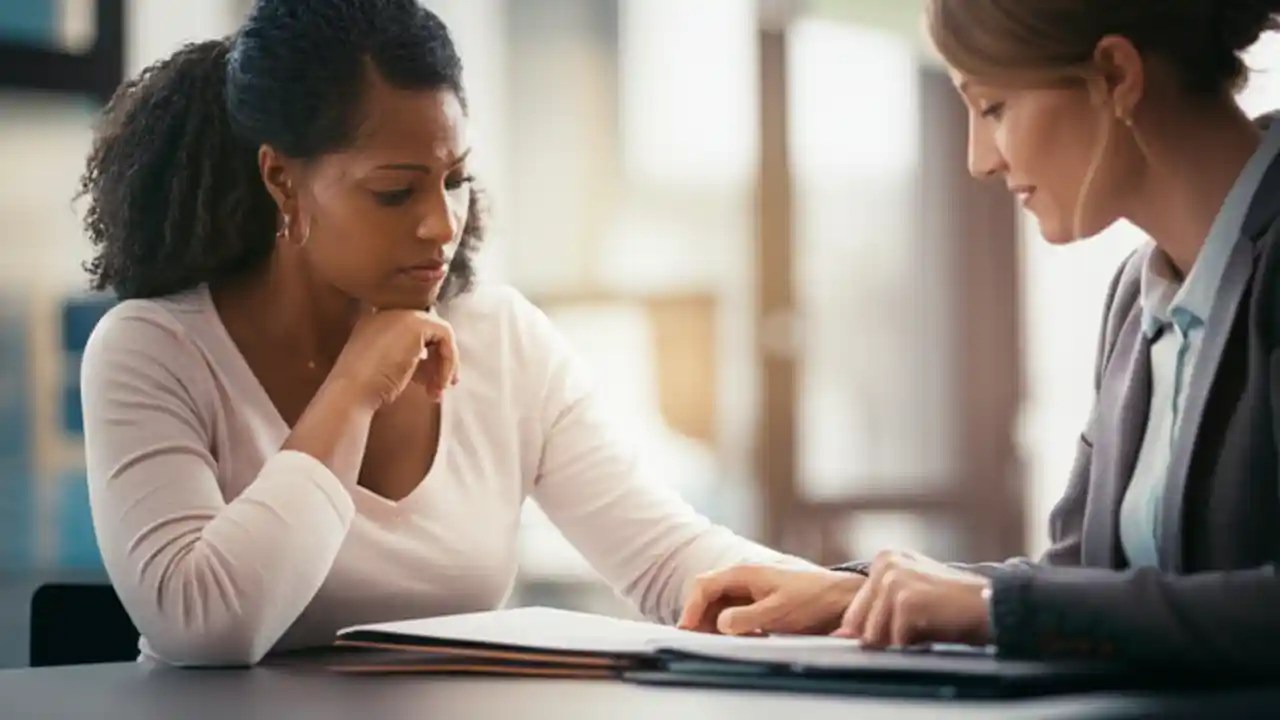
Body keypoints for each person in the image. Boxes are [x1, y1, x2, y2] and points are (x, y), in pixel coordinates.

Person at [78, 0, 806, 667]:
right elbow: (204, 626)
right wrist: (354, 388)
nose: (441, 225)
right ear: (282, 180)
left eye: (454, 179)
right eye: (394, 191)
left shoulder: (503, 338)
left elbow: (671, 559)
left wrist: (873, 601)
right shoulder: (152, 350)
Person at [680, 0, 1280, 671]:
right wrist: (856, 592)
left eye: (992, 107)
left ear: (1114, 75)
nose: (977, 160)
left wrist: (998, 609)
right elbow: (1086, 579)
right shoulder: (1138, 301)